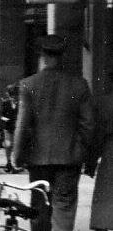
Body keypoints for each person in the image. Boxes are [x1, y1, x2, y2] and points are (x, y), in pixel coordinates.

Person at [13, 34, 94, 231]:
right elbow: (88, 125)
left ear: (42, 55)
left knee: (39, 208)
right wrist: (84, 154)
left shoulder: (28, 84)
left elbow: (22, 125)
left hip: (38, 159)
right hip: (68, 159)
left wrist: (17, 156)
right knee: (64, 208)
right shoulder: (79, 84)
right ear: (63, 56)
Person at [89, 93, 113, 231]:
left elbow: (98, 133)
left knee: (106, 194)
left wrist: (91, 162)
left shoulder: (106, 100)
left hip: (110, 152)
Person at [0, 83, 22, 173]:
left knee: (16, 146)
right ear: (8, 94)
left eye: (15, 96)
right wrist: (2, 125)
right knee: (8, 145)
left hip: (17, 127)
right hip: (8, 127)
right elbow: (2, 116)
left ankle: (14, 164)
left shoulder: (21, 104)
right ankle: (8, 162)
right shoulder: (6, 103)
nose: (13, 98)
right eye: (11, 96)